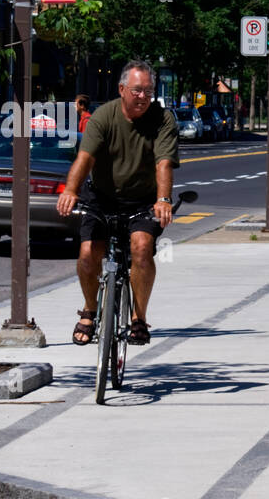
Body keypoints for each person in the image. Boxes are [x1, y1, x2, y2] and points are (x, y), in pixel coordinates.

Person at [57, 60, 179, 347]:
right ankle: (89, 310)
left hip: (142, 199)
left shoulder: (163, 119)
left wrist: (163, 200)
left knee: (140, 248)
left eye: (149, 91)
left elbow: (164, 163)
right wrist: (70, 190)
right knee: (88, 254)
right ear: (122, 89)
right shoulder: (103, 117)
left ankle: (138, 317)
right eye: (137, 90)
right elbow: (85, 158)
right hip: (101, 196)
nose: (143, 97)